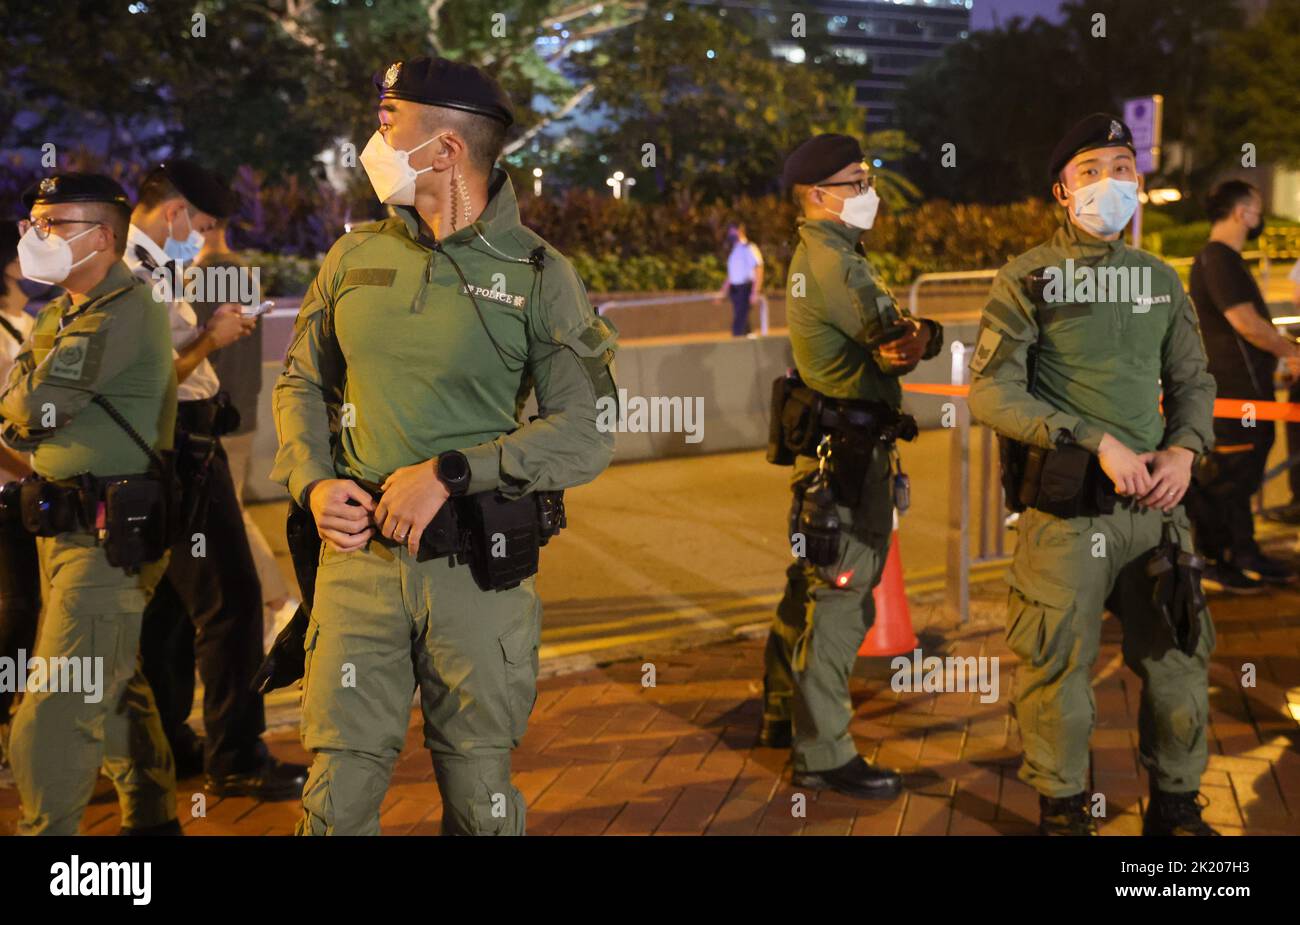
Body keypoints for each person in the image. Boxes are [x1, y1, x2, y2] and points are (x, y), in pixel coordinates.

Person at [272, 55, 617, 835]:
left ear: (447, 149)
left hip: (477, 573)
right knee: (336, 795)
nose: (375, 140)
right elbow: (297, 382)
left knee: (479, 795)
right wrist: (314, 484)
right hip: (357, 567)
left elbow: (588, 429)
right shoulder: (353, 258)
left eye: (389, 124)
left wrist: (455, 472)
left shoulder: (537, 273)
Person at [968, 114, 1219, 836]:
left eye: (1121, 165)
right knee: (1057, 670)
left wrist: (1185, 450)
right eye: (1090, 170)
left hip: (1157, 510)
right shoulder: (1029, 279)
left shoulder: (1159, 279)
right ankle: (1065, 810)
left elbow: (1193, 379)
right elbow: (992, 392)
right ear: (1061, 190)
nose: (1110, 182)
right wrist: (1091, 438)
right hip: (1069, 512)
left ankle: (1175, 806)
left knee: (1177, 660)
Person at [762, 134, 943, 799]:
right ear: (817, 196)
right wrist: (932, 334)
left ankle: (781, 713)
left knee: (809, 585)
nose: (870, 194)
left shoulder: (818, 256)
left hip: (827, 448)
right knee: (842, 597)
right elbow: (897, 346)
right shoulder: (842, 267)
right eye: (857, 183)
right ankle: (824, 752)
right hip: (851, 457)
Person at [1, 173, 179, 835]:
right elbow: (23, 409)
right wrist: (23, 410)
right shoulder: (61, 311)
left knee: (53, 707)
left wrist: (23, 410)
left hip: (109, 538)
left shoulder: (126, 308)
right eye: (33, 224)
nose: (35, 237)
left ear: (103, 236)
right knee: (111, 681)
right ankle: (154, 818)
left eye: (54, 224)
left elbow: (33, 405)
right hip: (61, 531)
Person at [126, 160, 306, 799]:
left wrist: (208, 335)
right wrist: (212, 337)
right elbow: (146, 379)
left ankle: (173, 742)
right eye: (198, 223)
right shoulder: (131, 275)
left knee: (175, 606)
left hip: (186, 447)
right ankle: (236, 757)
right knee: (232, 597)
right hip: (178, 450)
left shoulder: (151, 267)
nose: (199, 236)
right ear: (174, 213)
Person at [1183, 180, 1298, 590]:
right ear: (1240, 212)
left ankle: (1244, 554)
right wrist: (1293, 353)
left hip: (1249, 393)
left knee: (1240, 478)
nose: (1258, 217)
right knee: (1229, 476)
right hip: (1237, 396)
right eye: (1256, 208)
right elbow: (1246, 324)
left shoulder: (1223, 259)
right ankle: (1216, 563)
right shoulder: (1218, 259)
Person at [193, 214, 298, 650]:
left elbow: (198, 350)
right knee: (225, 511)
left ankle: (278, 602)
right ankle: (264, 607)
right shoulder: (245, 275)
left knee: (227, 513)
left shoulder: (198, 278)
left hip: (211, 413)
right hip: (242, 410)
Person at [0, 222, 38, 775]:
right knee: (16, 610)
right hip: (9, 490)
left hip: (23, 488)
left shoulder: (27, 323)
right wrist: (34, 469)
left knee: (24, 610)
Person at [714, 223, 763, 336]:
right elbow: (731, 276)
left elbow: (758, 268)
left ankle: (737, 345)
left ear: (740, 231)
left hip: (745, 288)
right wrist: (722, 292)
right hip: (735, 290)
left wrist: (755, 291)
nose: (730, 235)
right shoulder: (734, 251)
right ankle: (750, 342)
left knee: (738, 325)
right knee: (744, 324)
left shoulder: (749, 247)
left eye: (733, 231)